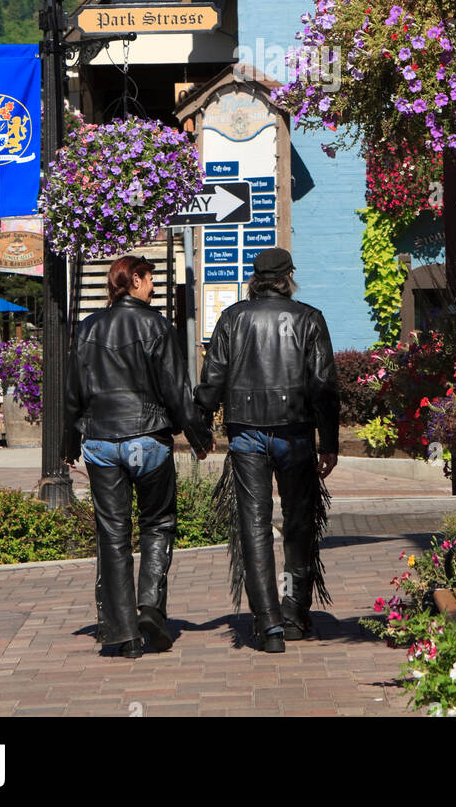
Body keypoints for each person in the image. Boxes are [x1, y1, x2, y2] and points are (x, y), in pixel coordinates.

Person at [64, 254, 212, 658]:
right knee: (157, 523)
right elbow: (176, 391)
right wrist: (198, 436)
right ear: (134, 281)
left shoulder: (89, 328)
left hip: (100, 440)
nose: (154, 287)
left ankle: (121, 633)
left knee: (112, 535)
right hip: (147, 438)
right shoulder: (157, 326)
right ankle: (149, 608)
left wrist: (66, 445)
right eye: (149, 279)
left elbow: (72, 391)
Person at [195, 247, 339, 653]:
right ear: (289, 276)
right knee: (298, 521)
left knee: (253, 526)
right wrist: (327, 441)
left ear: (255, 278)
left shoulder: (233, 318)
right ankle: (294, 610)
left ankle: (268, 622)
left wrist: (202, 426)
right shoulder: (309, 318)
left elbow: (213, 379)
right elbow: (323, 386)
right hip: (294, 432)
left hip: (246, 433)